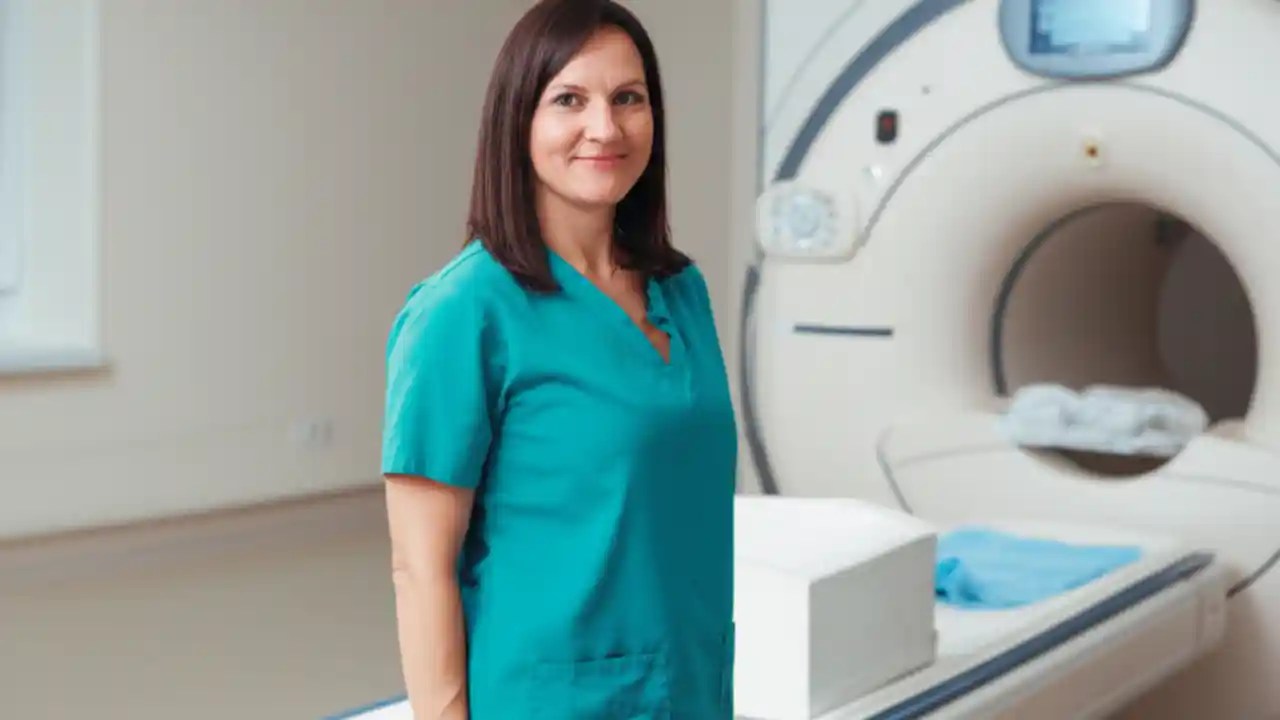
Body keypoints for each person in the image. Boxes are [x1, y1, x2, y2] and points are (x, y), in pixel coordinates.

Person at [379, 0, 738, 718]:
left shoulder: (682, 290)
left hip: (692, 684)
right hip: (551, 697)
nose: (605, 127)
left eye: (628, 98)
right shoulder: (464, 311)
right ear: (519, 119)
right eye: (570, 99)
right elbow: (420, 567)